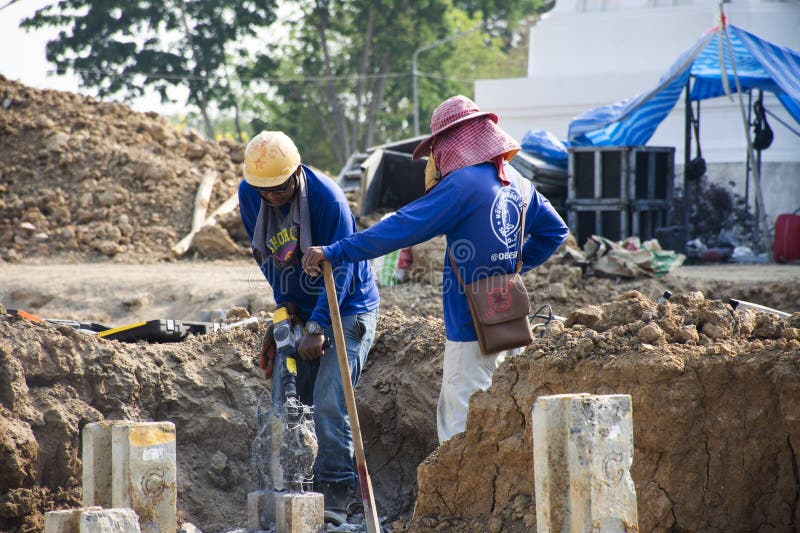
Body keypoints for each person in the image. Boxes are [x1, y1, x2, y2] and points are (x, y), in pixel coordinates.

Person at [303, 96, 568, 443]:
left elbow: (399, 228)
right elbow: (554, 231)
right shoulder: (517, 182)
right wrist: (514, 266)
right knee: (505, 417)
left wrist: (337, 251)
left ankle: (459, 495)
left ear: (452, 141)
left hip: (469, 327)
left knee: (458, 424)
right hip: (509, 318)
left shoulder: (461, 186)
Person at [238, 130, 379, 513]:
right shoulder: (251, 193)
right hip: (302, 306)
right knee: (288, 398)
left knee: (330, 400)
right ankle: (294, 482)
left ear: (296, 173)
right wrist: (285, 311)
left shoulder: (327, 199)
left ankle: (337, 491)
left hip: (346, 305)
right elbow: (267, 258)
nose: (271, 197)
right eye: (263, 190)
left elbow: (344, 264)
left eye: (279, 190)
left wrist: (318, 327)